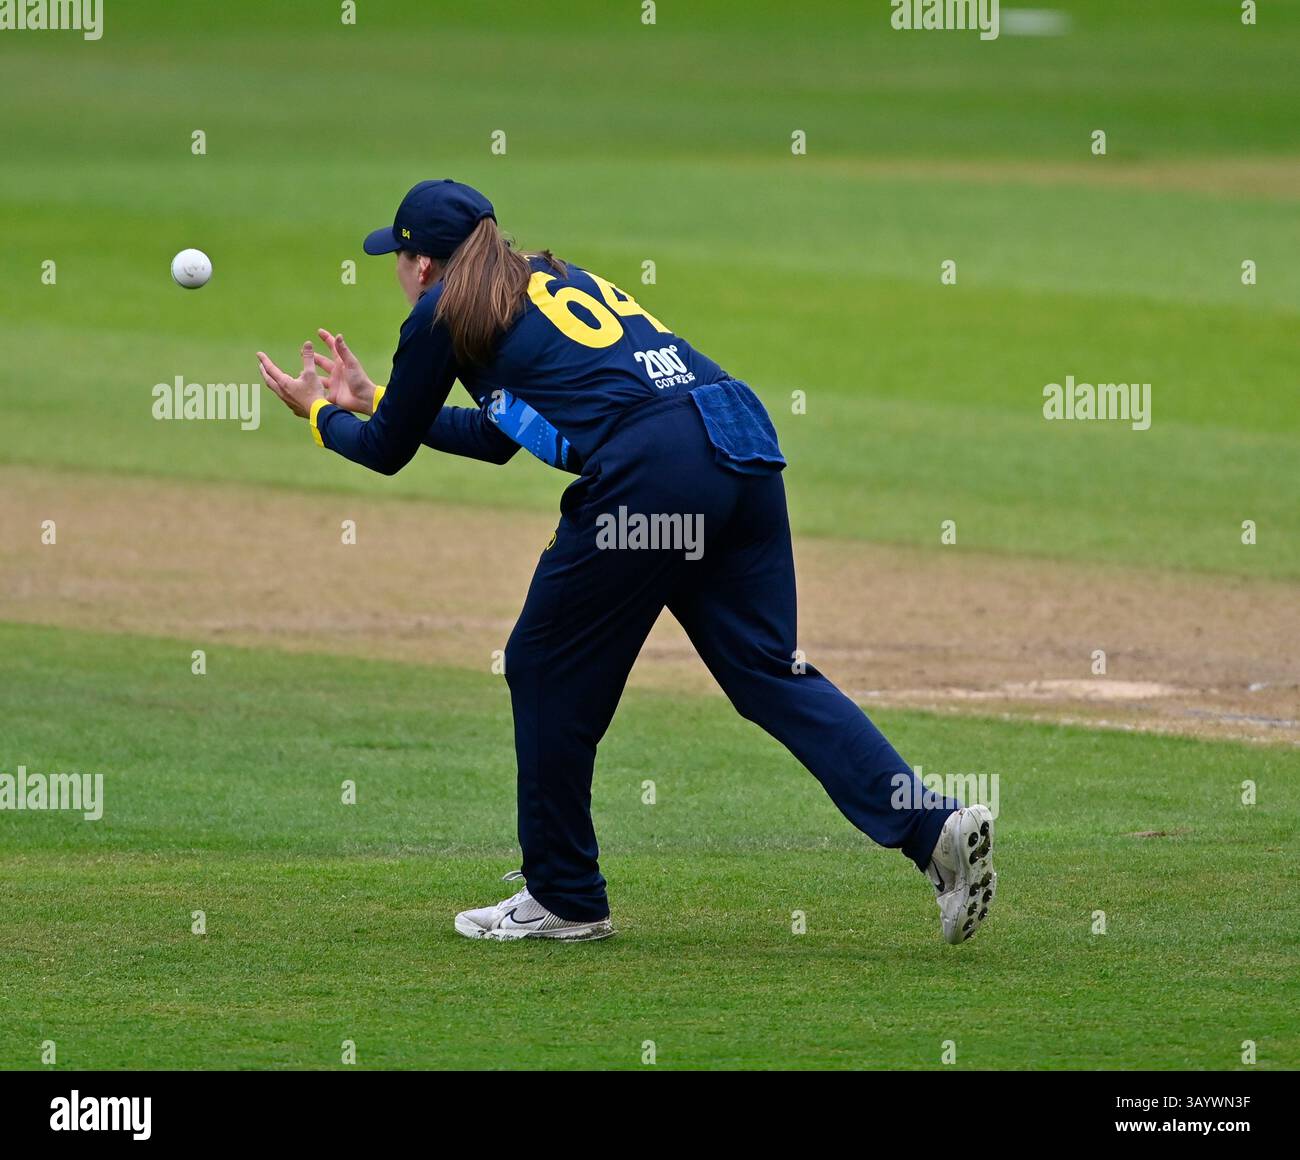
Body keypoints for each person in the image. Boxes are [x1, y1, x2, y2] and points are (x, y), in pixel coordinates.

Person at [257, 179, 996, 945]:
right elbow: (497, 434)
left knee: (542, 664)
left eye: (400, 254)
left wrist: (318, 413)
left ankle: (565, 897)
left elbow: (386, 455)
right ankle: (932, 828)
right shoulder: (547, 277)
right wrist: (375, 395)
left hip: (655, 469)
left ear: (419, 264)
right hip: (735, 435)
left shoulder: (441, 313)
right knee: (769, 672)